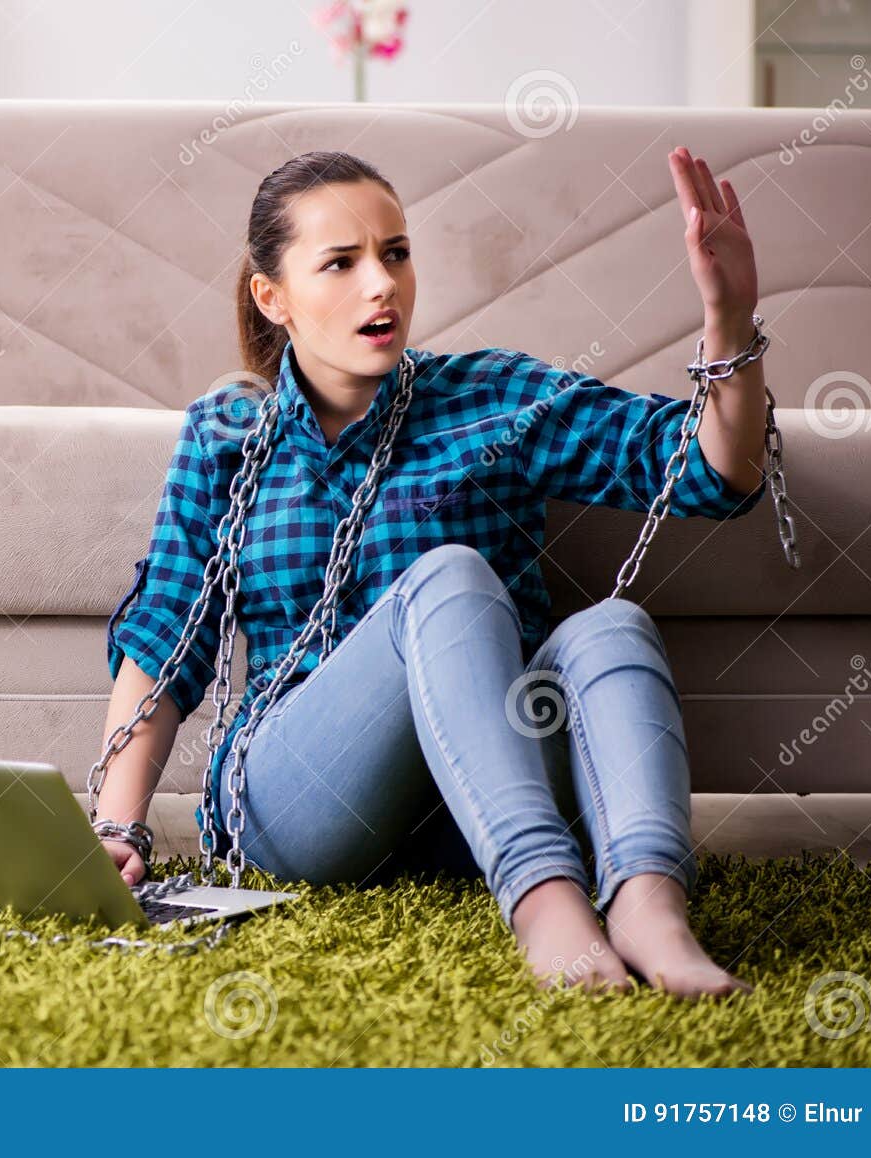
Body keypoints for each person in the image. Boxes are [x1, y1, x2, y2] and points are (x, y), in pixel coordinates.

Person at [98, 147, 770, 999]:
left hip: (487, 792)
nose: (381, 284)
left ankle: (650, 909)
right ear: (274, 299)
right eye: (340, 263)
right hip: (305, 806)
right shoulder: (226, 435)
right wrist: (117, 823)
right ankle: (547, 905)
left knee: (611, 627)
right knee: (447, 574)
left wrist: (729, 313)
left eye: (396, 252)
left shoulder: (494, 398)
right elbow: (170, 631)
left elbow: (713, 472)